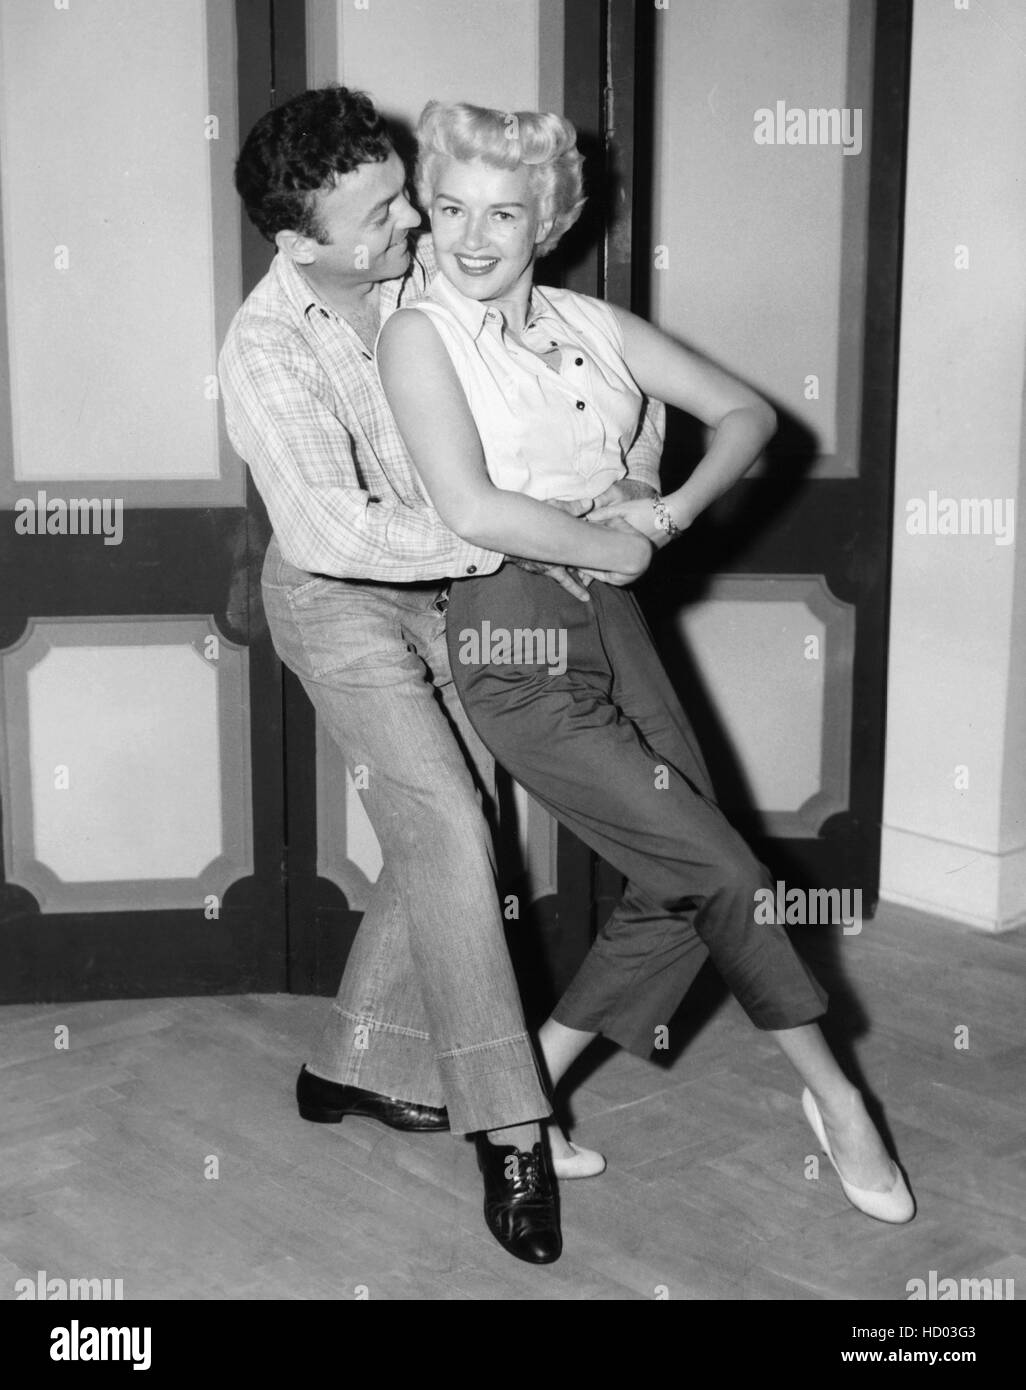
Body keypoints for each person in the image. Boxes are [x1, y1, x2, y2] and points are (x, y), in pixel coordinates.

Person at [377, 100, 916, 1226]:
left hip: (615, 621)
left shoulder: (593, 323)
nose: (472, 237)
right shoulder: (418, 335)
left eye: (503, 213)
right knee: (727, 874)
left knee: (682, 877)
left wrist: (663, 515)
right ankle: (839, 1100)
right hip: (511, 633)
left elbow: (748, 416)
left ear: (547, 222)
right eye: (451, 208)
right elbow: (471, 506)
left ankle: (523, 1084)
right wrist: (614, 541)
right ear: (429, 209)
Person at [218, 85, 668, 1266]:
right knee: (449, 824)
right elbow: (336, 530)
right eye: (382, 215)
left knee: (459, 824)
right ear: (299, 241)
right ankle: (513, 1130)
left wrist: (627, 479)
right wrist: (516, 537)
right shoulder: (263, 349)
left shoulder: (426, 267)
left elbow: (601, 370)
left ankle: (350, 1064)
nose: (419, 224)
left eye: (402, 197)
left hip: (461, 583)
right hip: (338, 597)